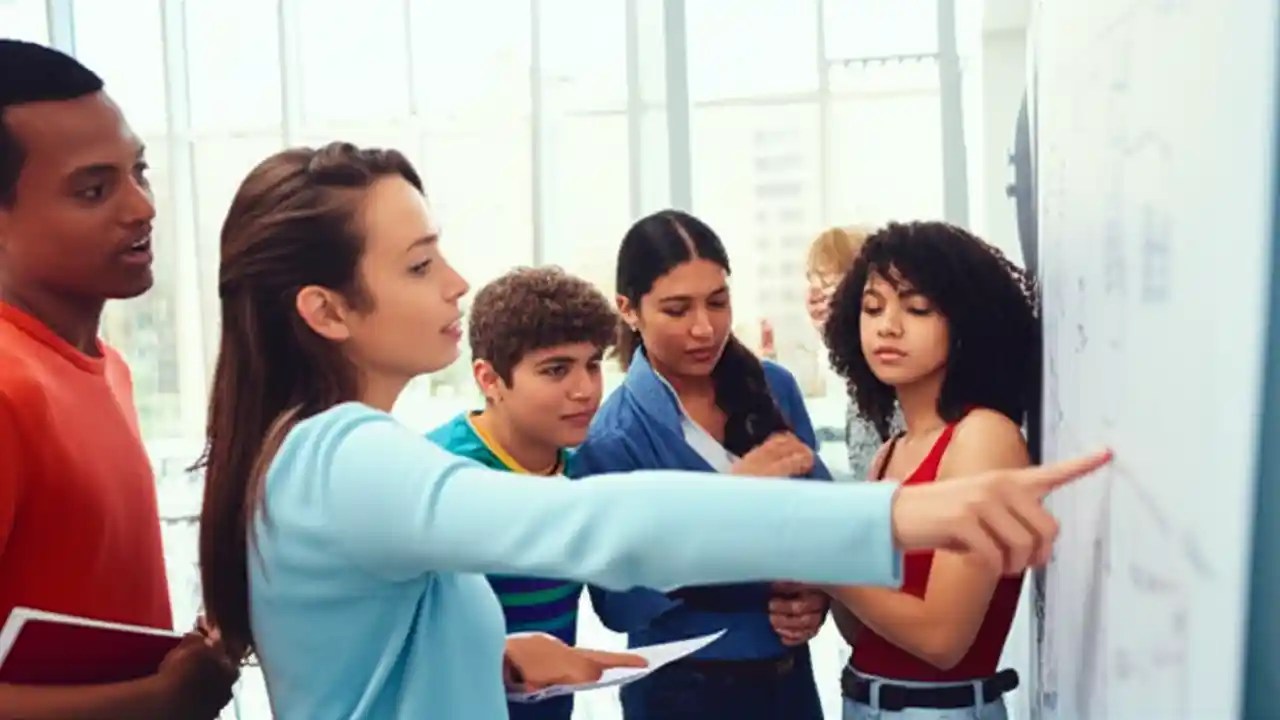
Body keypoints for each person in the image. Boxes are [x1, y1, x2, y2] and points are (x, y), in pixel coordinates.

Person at [195, 141, 1108, 719]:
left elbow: (378, 660)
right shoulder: (344, 456)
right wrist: (901, 521)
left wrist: (503, 658)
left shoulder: (313, 451)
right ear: (326, 309)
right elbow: (595, 527)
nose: (456, 284)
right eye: (421, 263)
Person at [0, 40, 237, 718]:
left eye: (139, 172)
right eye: (93, 190)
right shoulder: (7, 390)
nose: (141, 208)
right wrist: (154, 699)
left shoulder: (107, 369)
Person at [570, 209, 840, 719]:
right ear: (629, 310)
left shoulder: (774, 387)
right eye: (677, 310)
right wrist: (726, 500)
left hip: (790, 681)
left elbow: (826, 524)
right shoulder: (613, 438)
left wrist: (816, 595)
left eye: (718, 302)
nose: (704, 328)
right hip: (683, 694)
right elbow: (617, 604)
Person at [821, 221, 1041, 719]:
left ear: (967, 324)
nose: (888, 326)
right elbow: (864, 631)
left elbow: (943, 640)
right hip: (863, 701)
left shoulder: (983, 438)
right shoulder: (889, 452)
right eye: (872, 307)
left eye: (917, 308)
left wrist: (823, 563)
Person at [427, 266, 618, 720]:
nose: (585, 389)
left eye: (592, 365)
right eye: (556, 370)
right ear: (489, 380)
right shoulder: (439, 473)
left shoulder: (583, 468)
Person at [805, 224, 894, 480]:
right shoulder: (855, 379)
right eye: (814, 284)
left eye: (830, 286)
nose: (817, 297)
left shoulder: (890, 377)